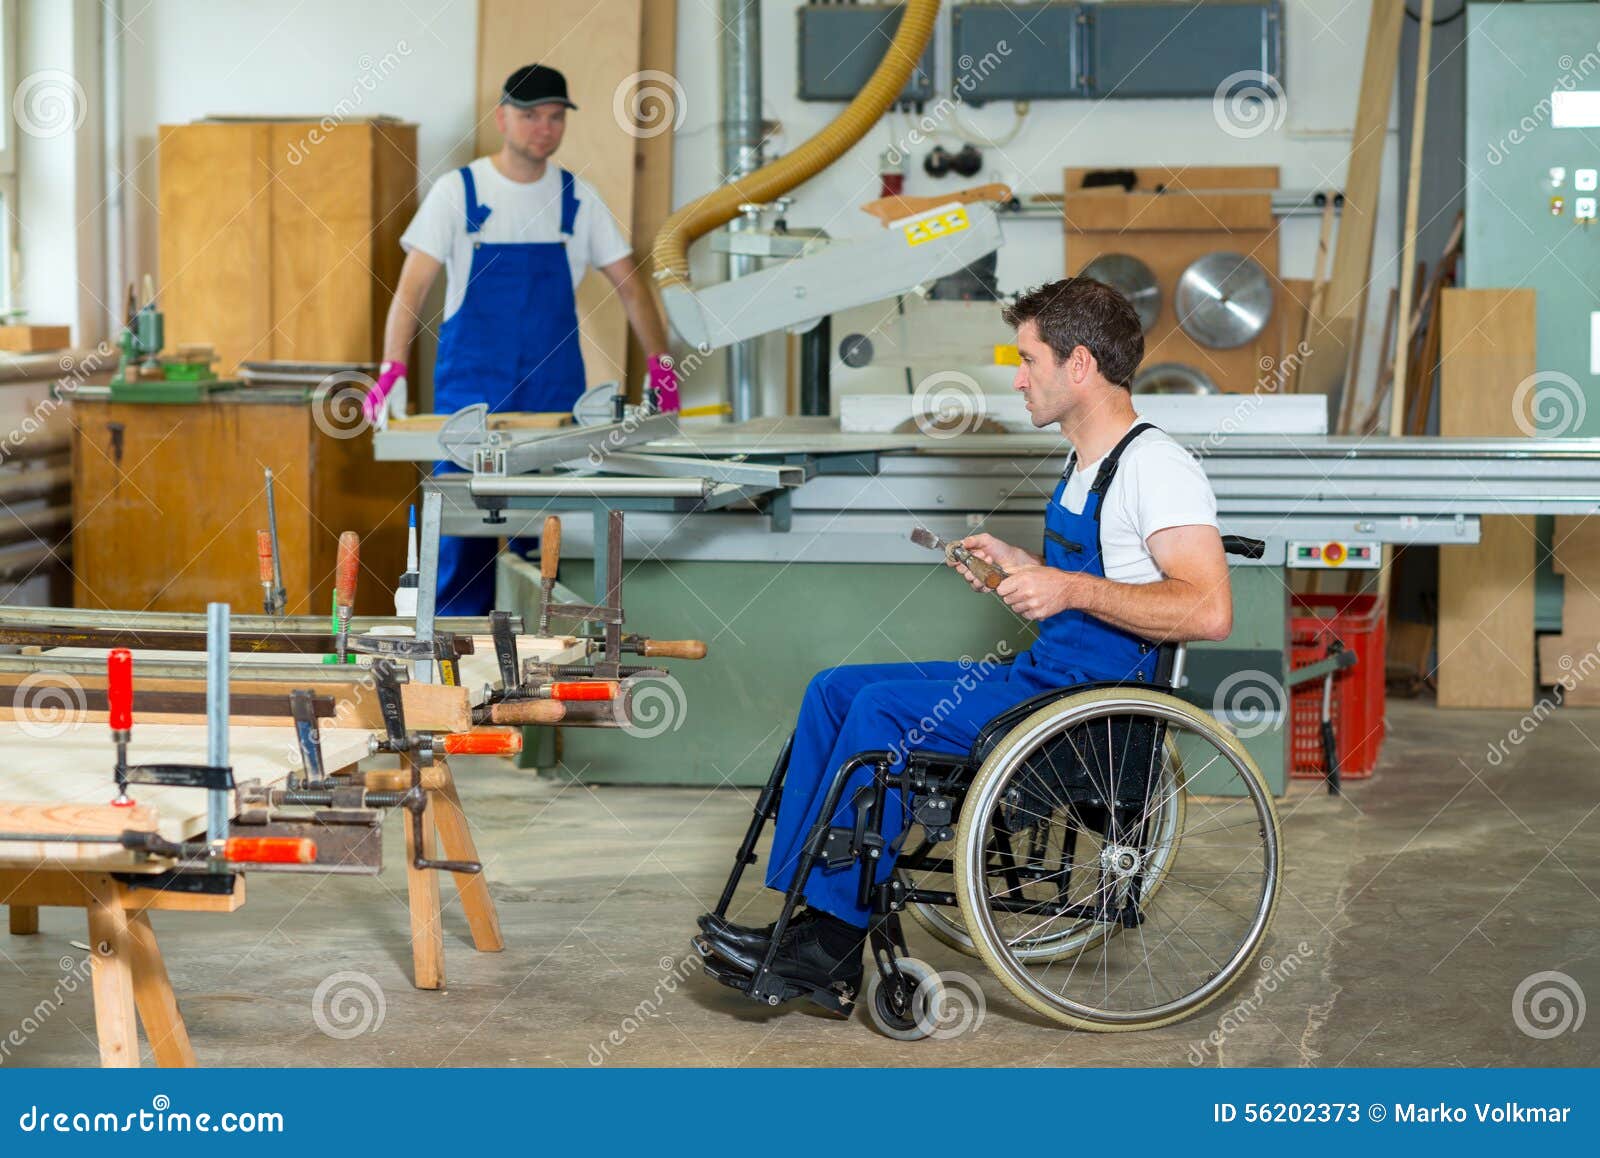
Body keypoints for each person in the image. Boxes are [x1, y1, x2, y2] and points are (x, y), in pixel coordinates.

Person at [694, 277, 1234, 1013]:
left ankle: (831, 942)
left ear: (1079, 365)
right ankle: (804, 915)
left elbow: (1208, 609)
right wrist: (1023, 569)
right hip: (1047, 676)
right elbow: (1100, 580)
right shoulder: (1085, 463)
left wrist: (1068, 589)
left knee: (882, 712)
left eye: (1028, 359)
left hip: (1089, 708)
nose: (1018, 379)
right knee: (835, 690)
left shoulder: (1155, 468)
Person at [366, 63, 678, 615]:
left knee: (549, 547)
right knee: (464, 540)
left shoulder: (576, 197)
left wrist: (663, 366)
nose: (544, 128)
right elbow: (412, 288)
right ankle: (454, 658)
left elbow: (631, 286)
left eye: (555, 117)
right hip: (470, 402)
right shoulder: (458, 192)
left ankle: (545, 656)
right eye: (531, 115)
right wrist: (392, 368)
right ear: (502, 117)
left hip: (553, 403)